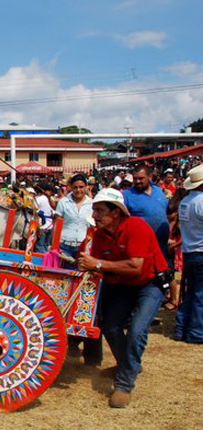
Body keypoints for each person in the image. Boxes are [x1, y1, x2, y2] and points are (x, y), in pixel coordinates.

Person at [78, 188, 169, 408]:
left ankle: (124, 383)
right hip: (123, 284)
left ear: (116, 212)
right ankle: (129, 364)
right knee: (110, 327)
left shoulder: (137, 227)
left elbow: (135, 266)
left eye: (99, 211)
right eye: (95, 211)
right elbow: (90, 260)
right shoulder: (99, 235)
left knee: (137, 330)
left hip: (150, 283)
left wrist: (97, 264)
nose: (95, 216)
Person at [55, 174, 100, 365]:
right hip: (65, 245)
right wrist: (54, 249)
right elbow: (57, 226)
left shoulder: (92, 204)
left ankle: (76, 333)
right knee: (65, 288)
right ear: (70, 187)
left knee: (81, 288)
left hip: (84, 247)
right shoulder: (63, 203)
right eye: (76, 187)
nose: (79, 191)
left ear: (86, 188)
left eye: (82, 187)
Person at [174, 164, 203, 343]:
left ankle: (181, 328)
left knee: (191, 291)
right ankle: (196, 332)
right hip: (201, 250)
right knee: (200, 294)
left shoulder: (185, 201)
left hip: (190, 251)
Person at [123, 164, 170, 256]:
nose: (137, 181)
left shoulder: (158, 191)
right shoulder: (127, 195)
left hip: (161, 246)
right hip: (141, 247)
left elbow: (166, 213)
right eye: (135, 178)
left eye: (141, 178)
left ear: (150, 177)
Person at [34, 184, 54, 253]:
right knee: (46, 245)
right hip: (51, 225)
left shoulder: (39, 199)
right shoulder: (52, 199)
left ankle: (42, 262)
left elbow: (34, 207)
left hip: (42, 226)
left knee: (39, 245)